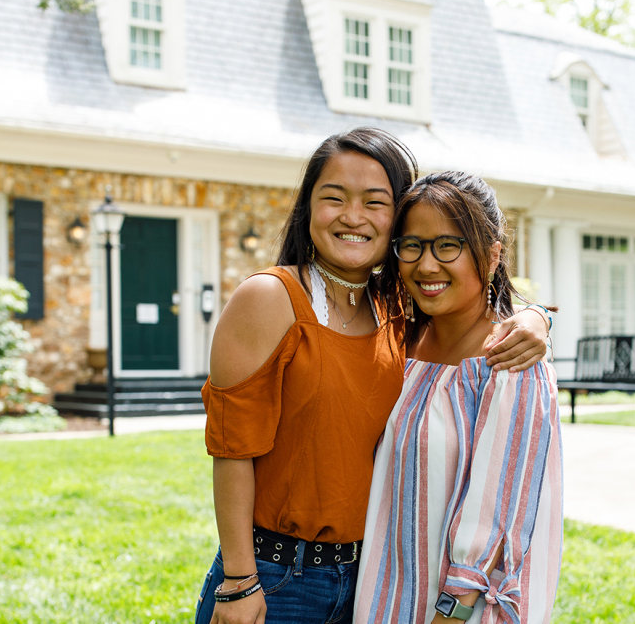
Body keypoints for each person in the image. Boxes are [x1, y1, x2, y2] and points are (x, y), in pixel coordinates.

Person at [195, 129, 552, 624]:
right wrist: (239, 582)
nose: (353, 216)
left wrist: (537, 317)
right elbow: (232, 450)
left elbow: (465, 303)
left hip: (368, 581)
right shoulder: (269, 299)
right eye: (334, 198)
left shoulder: (394, 308)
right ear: (308, 208)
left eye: (375, 202)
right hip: (274, 579)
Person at [353, 171, 563, 624]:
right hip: (384, 598)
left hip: (457, 614)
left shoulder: (508, 362)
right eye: (412, 245)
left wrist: (450, 614)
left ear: (490, 256)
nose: (426, 266)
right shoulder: (397, 347)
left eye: (448, 245)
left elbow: (500, 516)